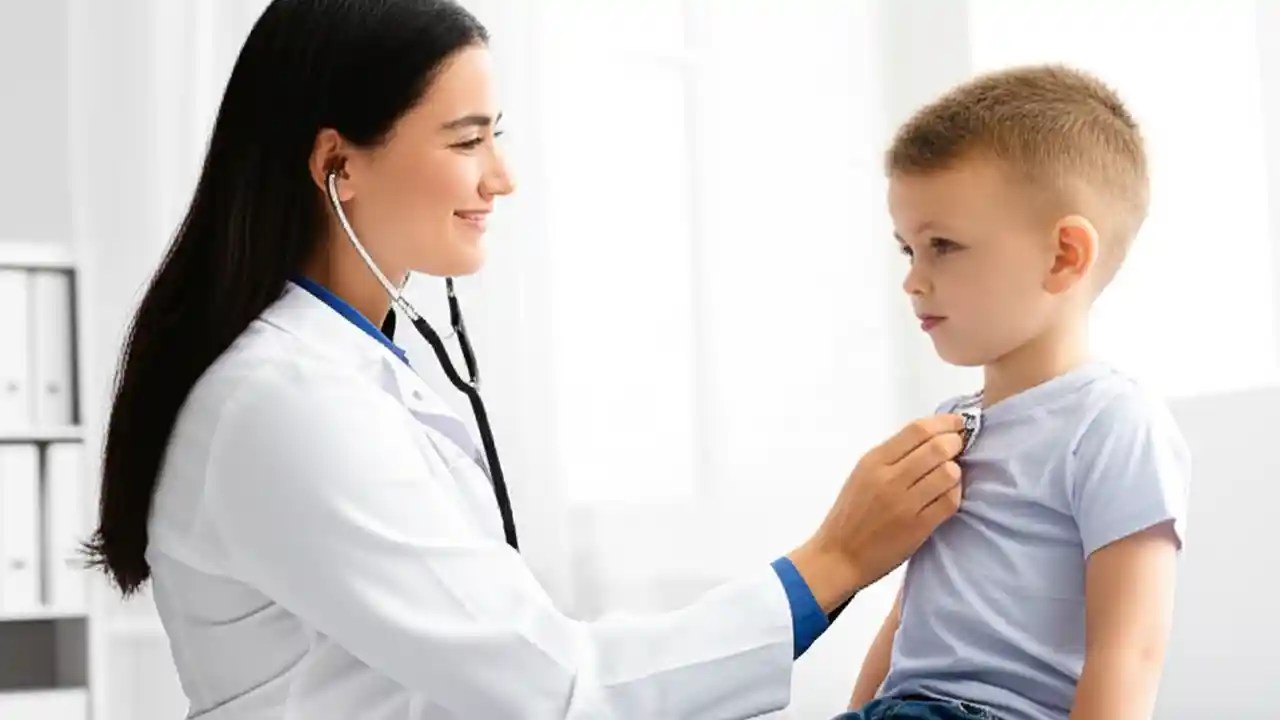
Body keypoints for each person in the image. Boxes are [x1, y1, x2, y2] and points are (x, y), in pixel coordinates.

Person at [83, 2, 968, 718]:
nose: (500, 177)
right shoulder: (281, 404)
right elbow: (556, 686)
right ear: (338, 165)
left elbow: (518, 657)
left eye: (494, 136)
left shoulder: (351, 373)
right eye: (467, 141)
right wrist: (834, 558)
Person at [839, 65, 1192, 720]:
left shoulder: (1112, 422)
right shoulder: (948, 426)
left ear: (1062, 257)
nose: (914, 281)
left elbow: (1130, 647)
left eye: (941, 246)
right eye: (907, 250)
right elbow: (906, 621)